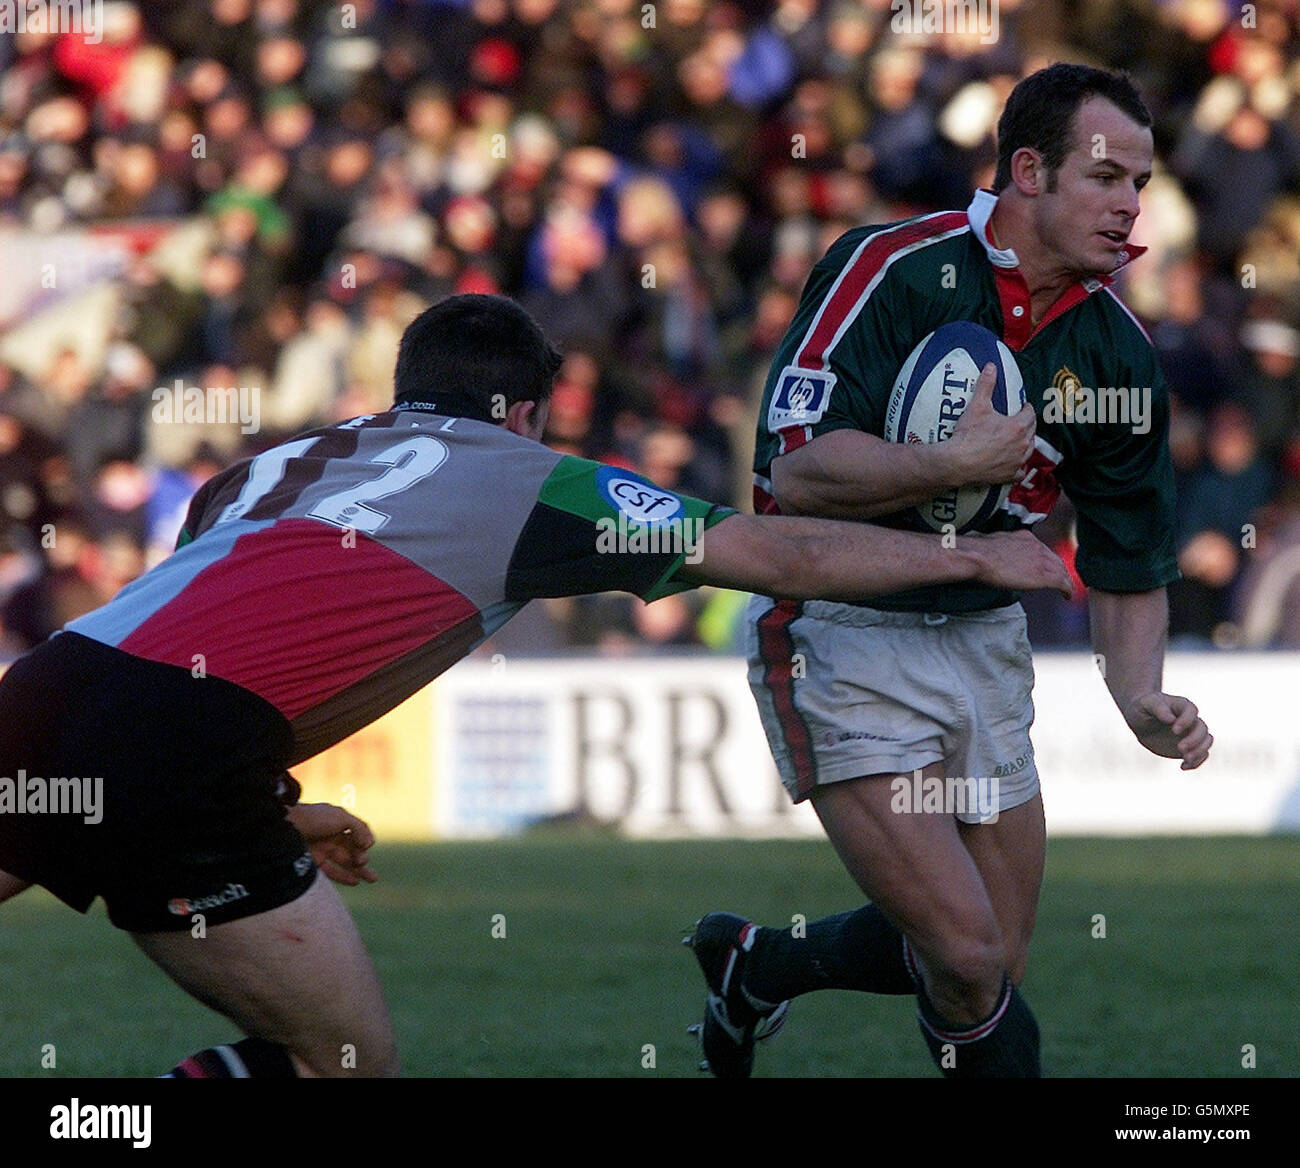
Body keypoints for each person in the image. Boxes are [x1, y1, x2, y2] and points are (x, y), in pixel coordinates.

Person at [0, 293, 1070, 1078]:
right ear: (523, 412)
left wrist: (271, 800)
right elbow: (776, 554)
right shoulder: (536, 482)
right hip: (180, 753)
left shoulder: (270, 466)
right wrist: (972, 557)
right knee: (340, 1063)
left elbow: (210, 632)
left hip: (45, 690)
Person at [686, 64, 1214, 1079]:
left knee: (987, 956)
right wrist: (942, 465)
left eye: (1139, 184)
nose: (1128, 205)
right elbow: (794, 468)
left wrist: (1141, 693)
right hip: (840, 627)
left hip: (981, 641)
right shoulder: (891, 266)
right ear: (1028, 170)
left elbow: (1126, 557)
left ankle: (759, 966)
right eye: (1106, 177)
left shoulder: (1114, 350)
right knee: (968, 957)